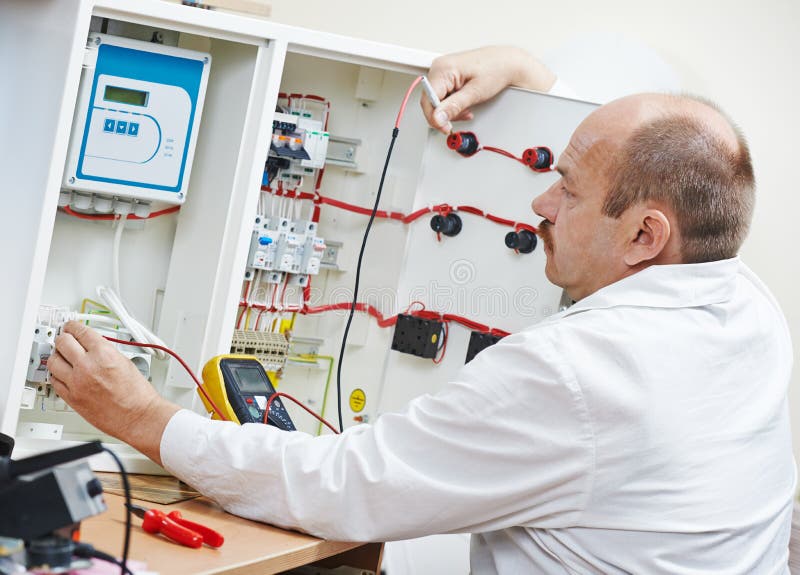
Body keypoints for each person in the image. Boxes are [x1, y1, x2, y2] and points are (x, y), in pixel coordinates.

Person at [49, 46, 795, 573]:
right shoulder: (747, 309)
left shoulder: (578, 374)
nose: (539, 204)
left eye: (565, 188)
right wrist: (533, 81)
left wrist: (142, 417)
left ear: (644, 233)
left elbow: (341, 488)